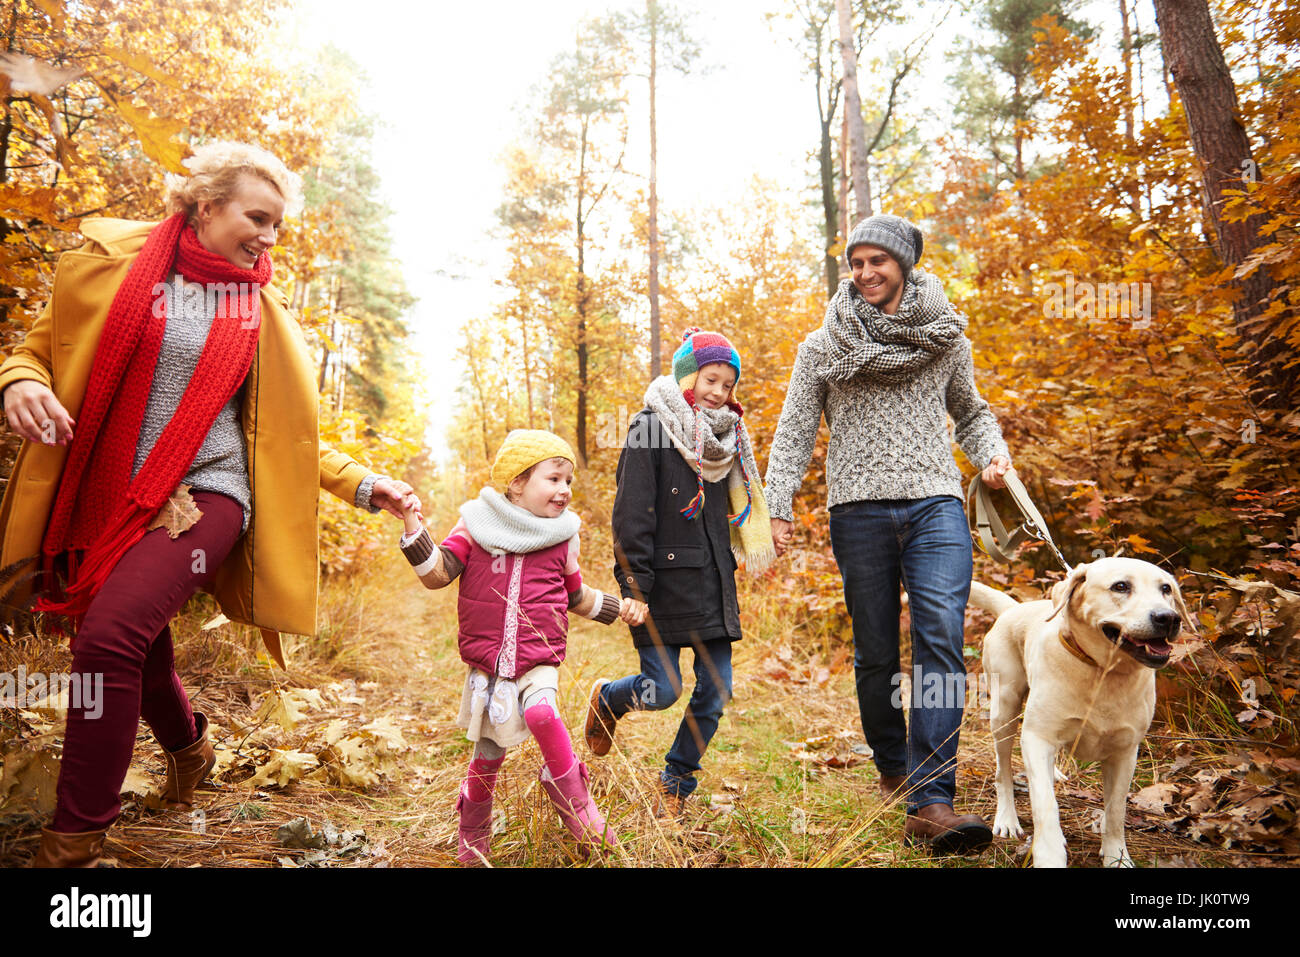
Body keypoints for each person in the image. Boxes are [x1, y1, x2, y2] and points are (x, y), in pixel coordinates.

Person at [0, 142, 419, 867]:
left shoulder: (262, 313)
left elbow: (282, 435)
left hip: (207, 493)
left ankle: (72, 844)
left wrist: (359, 481)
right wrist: (21, 383)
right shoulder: (111, 265)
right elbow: (36, 351)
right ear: (204, 204)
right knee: (134, 645)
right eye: (258, 217)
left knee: (107, 640)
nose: (270, 237)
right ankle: (191, 747)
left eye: (278, 224)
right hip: (106, 490)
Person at [764, 214, 1013, 854]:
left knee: (941, 637)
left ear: (904, 263)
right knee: (875, 651)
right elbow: (794, 430)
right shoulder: (824, 345)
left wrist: (993, 455)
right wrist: (777, 507)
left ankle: (932, 799)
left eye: (877, 260)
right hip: (858, 512)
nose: (866, 272)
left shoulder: (946, 336)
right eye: (856, 263)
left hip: (936, 505)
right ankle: (893, 766)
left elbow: (971, 411)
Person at [397, 429, 637, 865]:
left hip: (538, 656)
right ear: (517, 482)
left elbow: (575, 595)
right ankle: (473, 825)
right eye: (554, 479)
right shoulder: (476, 525)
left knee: (542, 712)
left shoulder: (564, 535)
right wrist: (413, 525)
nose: (564, 490)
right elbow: (437, 574)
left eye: (568, 481)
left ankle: (579, 807)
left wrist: (619, 608)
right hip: (490, 666)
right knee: (488, 755)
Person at [585, 329, 775, 817]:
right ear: (689, 376)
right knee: (662, 690)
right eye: (711, 379)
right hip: (662, 586)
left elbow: (735, 509)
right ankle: (609, 698)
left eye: (728, 385)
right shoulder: (649, 426)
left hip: (712, 581)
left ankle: (676, 780)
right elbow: (631, 513)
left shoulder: (727, 439)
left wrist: (759, 536)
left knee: (717, 688)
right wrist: (634, 585)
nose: (719, 392)